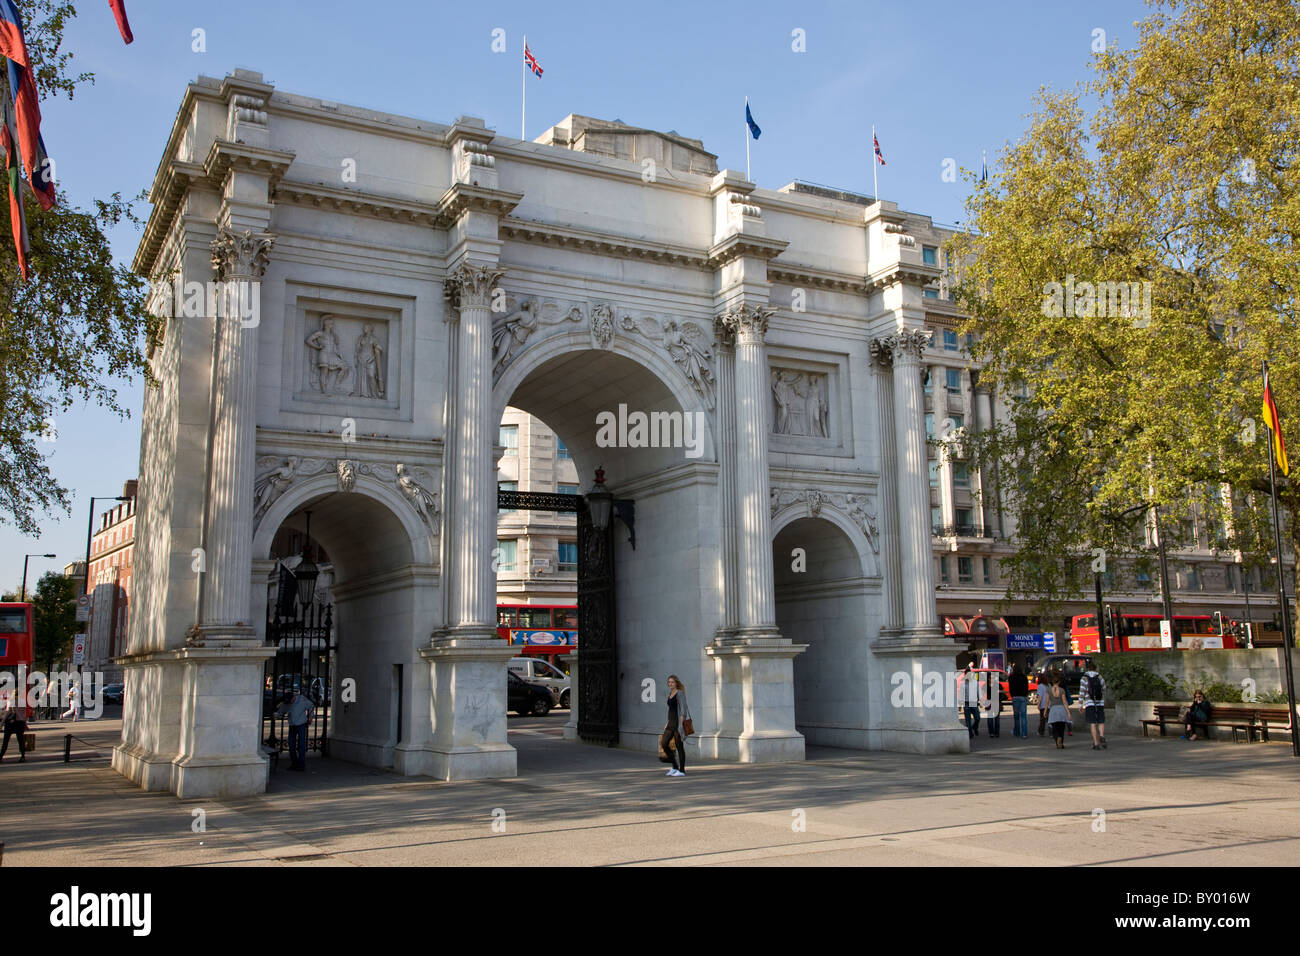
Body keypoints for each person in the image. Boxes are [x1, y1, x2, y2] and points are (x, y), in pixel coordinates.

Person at [275, 686, 315, 771]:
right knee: (291, 745)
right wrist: (276, 715)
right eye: (289, 702)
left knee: (301, 745)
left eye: (291, 701)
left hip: (301, 724)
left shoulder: (302, 700)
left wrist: (310, 717)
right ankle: (294, 763)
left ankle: (301, 765)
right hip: (292, 725)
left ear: (293, 697)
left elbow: (311, 706)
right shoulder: (286, 703)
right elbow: (280, 712)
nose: (290, 703)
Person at [662, 674, 691, 777]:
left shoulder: (679, 693)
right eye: (669, 682)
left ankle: (682, 770)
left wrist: (681, 723)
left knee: (679, 747)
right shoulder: (671, 693)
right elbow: (671, 710)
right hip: (671, 723)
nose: (670, 684)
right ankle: (675, 766)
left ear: (676, 683)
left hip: (678, 724)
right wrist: (667, 722)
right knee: (664, 744)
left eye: (672, 682)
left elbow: (683, 709)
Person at [1077, 666, 1108, 750]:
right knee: (1101, 721)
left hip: (1089, 703)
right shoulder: (1099, 677)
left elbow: (1082, 692)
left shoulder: (1084, 678)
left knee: (1093, 723)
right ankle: (1101, 735)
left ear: (1087, 669)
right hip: (1099, 703)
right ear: (1095, 668)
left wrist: (1080, 705)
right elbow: (1104, 688)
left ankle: (1096, 743)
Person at [1045, 673, 1071, 748]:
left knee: (1054, 727)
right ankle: (1061, 742)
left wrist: (1045, 711)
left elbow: (1047, 701)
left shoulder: (1049, 690)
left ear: (1052, 682)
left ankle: (1057, 739)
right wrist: (1068, 712)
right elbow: (1065, 701)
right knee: (1061, 727)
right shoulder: (1062, 690)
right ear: (1059, 682)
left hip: (1053, 710)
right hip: (1061, 709)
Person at [960, 662, 983, 738]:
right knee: (968, 720)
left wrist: (981, 701)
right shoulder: (963, 683)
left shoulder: (975, 682)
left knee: (977, 718)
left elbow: (979, 691)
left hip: (974, 702)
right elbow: (961, 693)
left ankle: (975, 727)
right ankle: (970, 733)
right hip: (966, 703)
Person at [1008, 663, 1030, 738]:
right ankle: (1024, 733)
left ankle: (1016, 732)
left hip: (1015, 697)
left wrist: (1012, 695)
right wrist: (1025, 694)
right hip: (1023, 697)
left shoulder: (1011, 677)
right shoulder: (1024, 677)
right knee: (1023, 716)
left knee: (1016, 716)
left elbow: (1010, 687)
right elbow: (1027, 687)